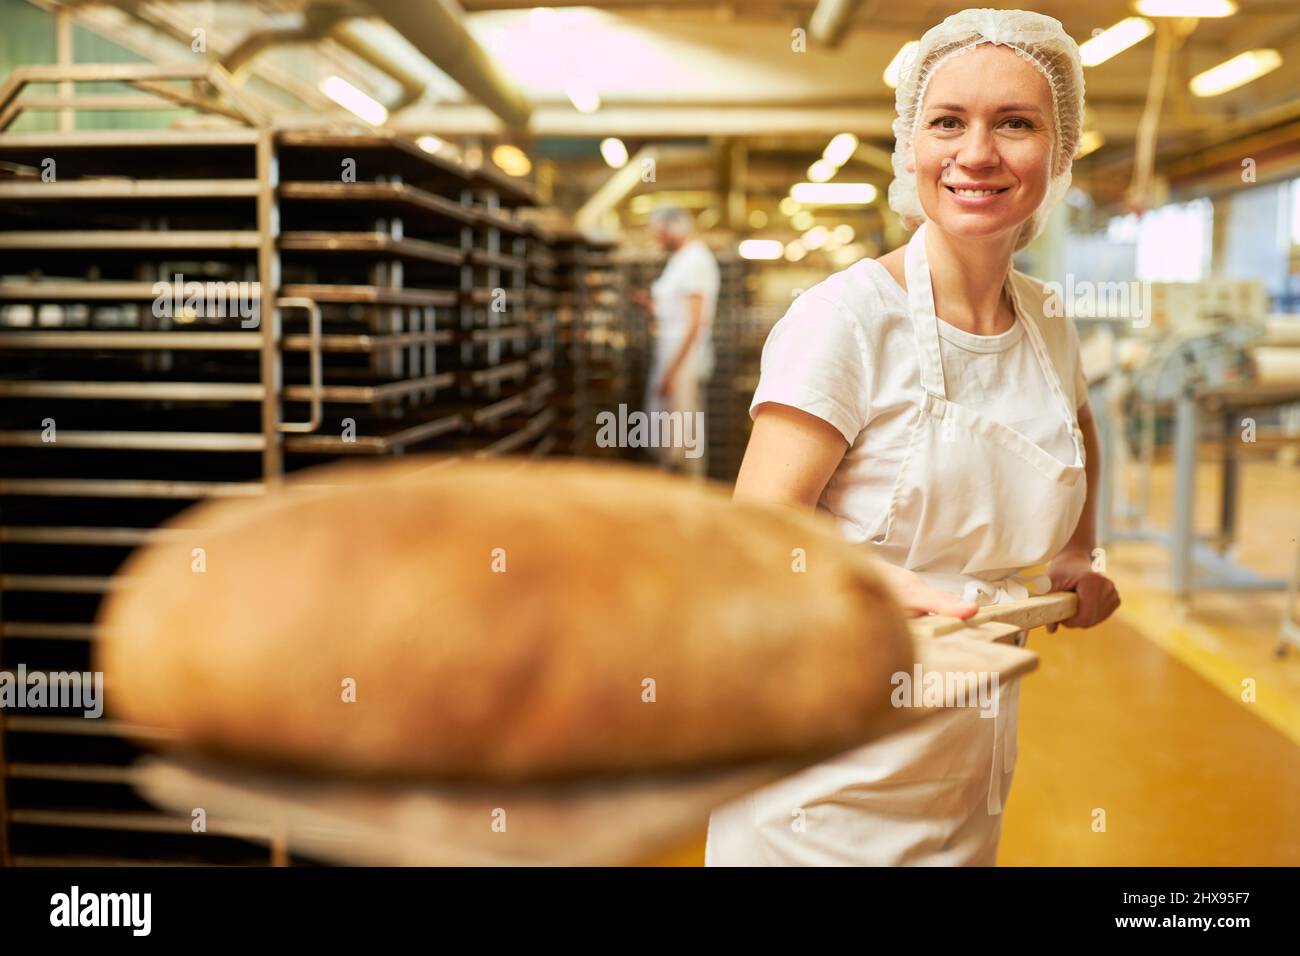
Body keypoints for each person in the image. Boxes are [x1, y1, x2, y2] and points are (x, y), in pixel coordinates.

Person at [706, 9, 1120, 866]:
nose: (976, 154)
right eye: (947, 122)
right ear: (911, 149)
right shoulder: (848, 321)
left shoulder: (1046, 319)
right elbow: (758, 534)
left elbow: (1077, 425)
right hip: (821, 766)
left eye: (1015, 123)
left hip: (966, 755)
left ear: (1061, 147)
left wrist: (1078, 552)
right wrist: (872, 585)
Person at [639, 207, 719, 476]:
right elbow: (675, 311)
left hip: (684, 358)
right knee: (671, 432)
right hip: (672, 355)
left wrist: (673, 372)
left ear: (674, 229)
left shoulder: (696, 260)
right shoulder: (682, 259)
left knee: (683, 436)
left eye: (660, 233)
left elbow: (696, 324)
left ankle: (690, 500)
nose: (657, 239)